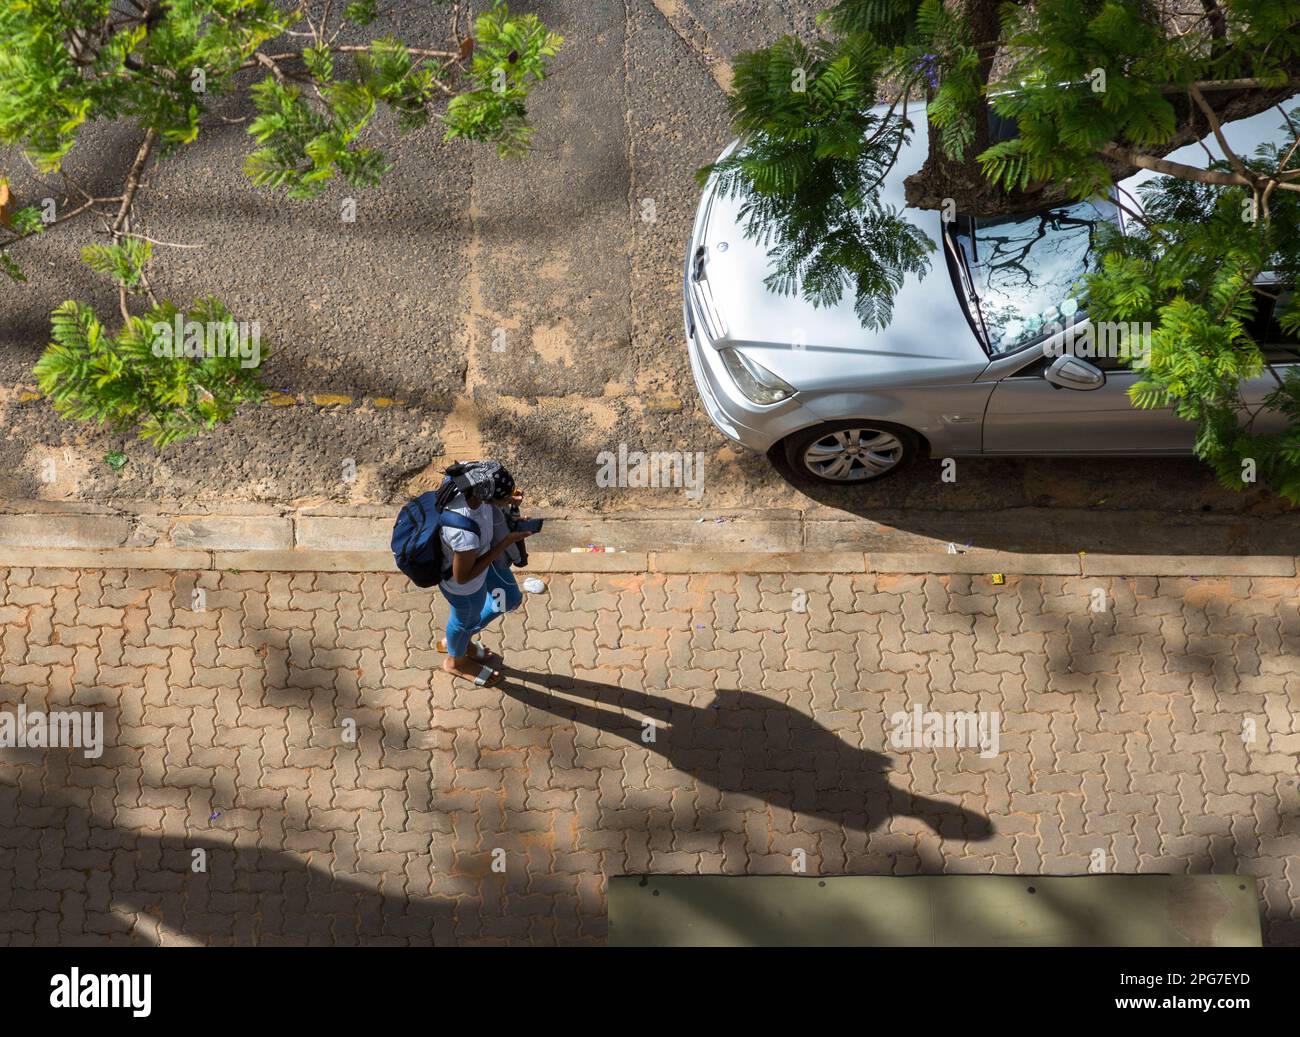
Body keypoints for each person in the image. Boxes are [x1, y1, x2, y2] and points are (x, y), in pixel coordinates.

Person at [434, 461, 536, 686]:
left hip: (482, 564)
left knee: (508, 598)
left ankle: (459, 641)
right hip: (465, 587)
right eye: (504, 497)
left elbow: (494, 511)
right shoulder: (464, 533)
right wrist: (506, 543)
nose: (508, 500)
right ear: (487, 496)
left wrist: (510, 507)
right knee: (463, 622)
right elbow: (462, 576)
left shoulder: (470, 481)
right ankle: (455, 661)